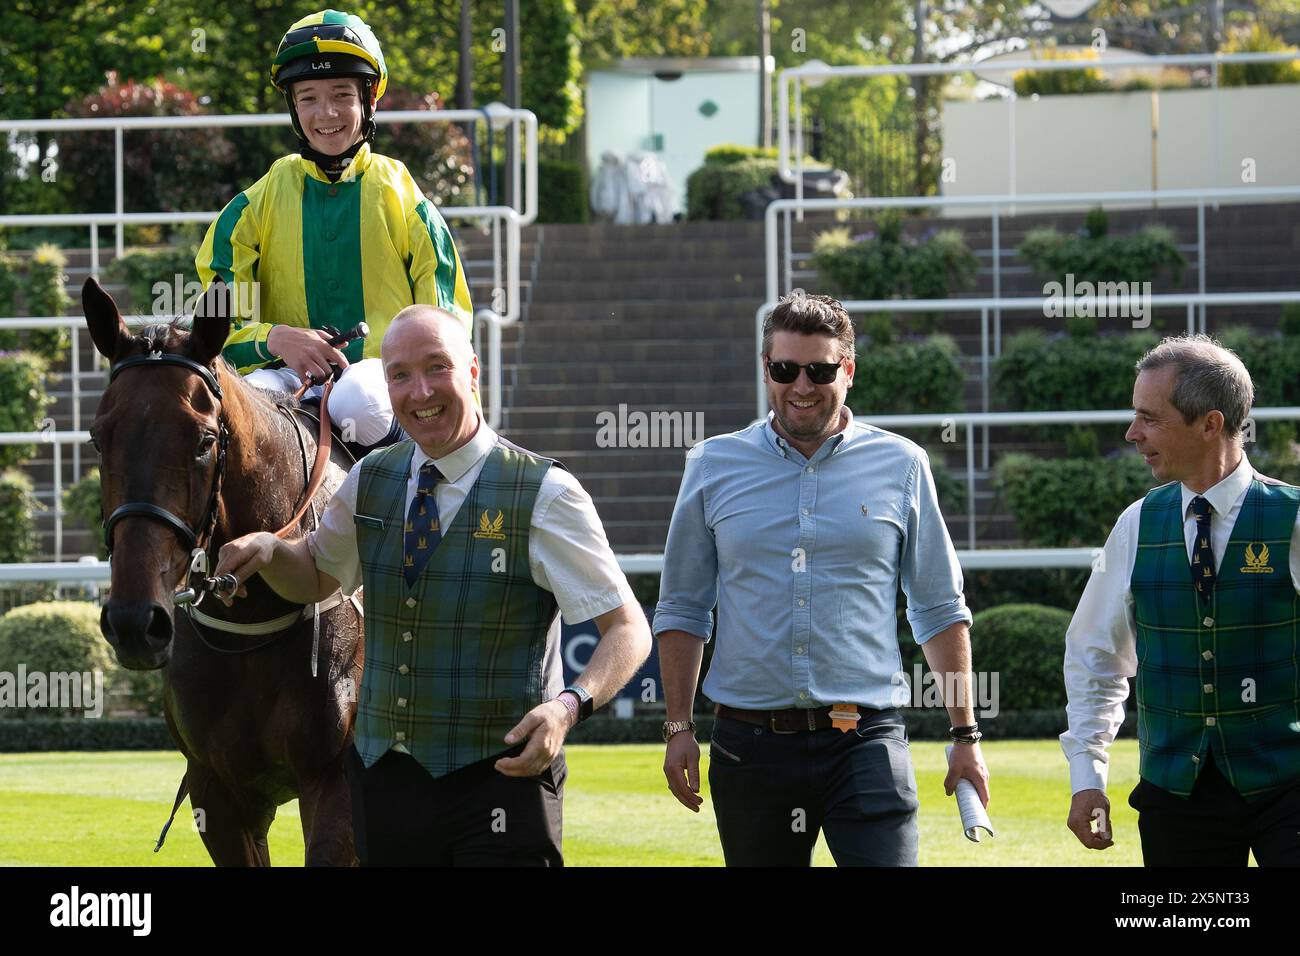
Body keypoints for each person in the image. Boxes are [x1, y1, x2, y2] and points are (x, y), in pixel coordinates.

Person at [213, 305, 652, 866]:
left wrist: (567, 708)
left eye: (436, 368)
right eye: (399, 374)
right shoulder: (369, 478)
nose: (419, 392)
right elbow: (317, 575)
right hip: (385, 784)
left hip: (504, 779)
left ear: (473, 371)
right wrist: (273, 550)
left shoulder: (547, 493)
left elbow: (627, 627)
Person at [654, 290, 990, 866]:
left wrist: (965, 737)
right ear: (767, 371)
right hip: (749, 747)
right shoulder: (711, 465)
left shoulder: (903, 464)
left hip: (866, 740)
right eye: (785, 369)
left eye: (820, 369)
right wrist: (678, 726)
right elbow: (684, 608)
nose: (801, 386)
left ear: (849, 370)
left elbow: (938, 607)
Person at [1063, 334, 1300, 866]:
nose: (1132, 433)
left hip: (1289, 790)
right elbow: (1094, 656)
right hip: (1177, 796)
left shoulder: (1294, 519)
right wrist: (1087, 777)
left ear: (1210, 424)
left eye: (1150, 418)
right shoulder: (1135, 525)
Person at [195, 9, 474, 449]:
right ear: (292, 106)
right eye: (308, 97)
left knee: (358, 400)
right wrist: (275, 338)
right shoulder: (250, 209)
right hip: (284, 375)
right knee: (250, 405)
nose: (326, 113)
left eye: (341, 94)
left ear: (369, 101)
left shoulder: (404, 196)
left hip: (384, 377)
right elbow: (213, 328)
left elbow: (449, 323)